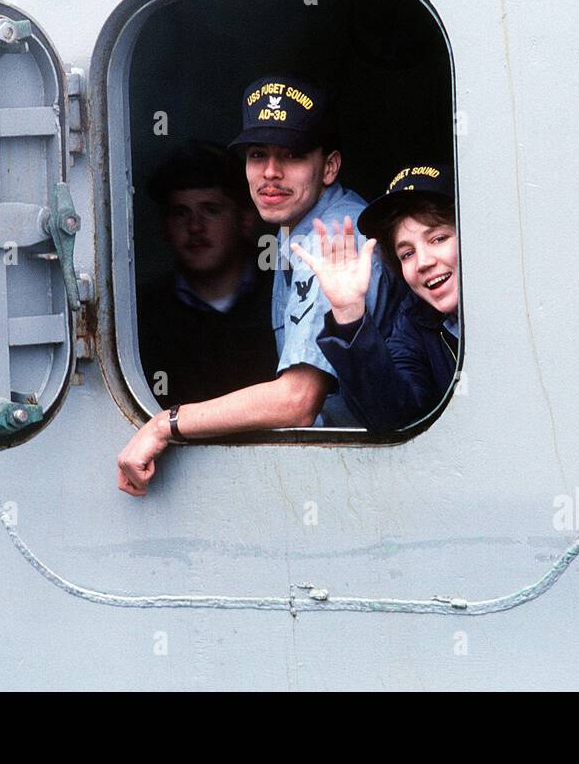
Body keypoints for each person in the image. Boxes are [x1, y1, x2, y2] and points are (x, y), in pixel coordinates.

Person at [115, 74, 399, 496]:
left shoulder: (335, 236)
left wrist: (166, 424)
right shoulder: (298, 231)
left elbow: (297, 401)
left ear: (330, 167)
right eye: (257, 154)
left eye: (293, 155)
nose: (270, 173)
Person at [291, 164, 459, 432]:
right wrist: (348, 313)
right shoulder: (415, 323)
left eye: (438, 239)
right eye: (407, 253)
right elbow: (394, 415)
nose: (424, 262)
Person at [136, 144, 276, 406]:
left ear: (245, 219)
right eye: (180, 213)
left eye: (211, 210)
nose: (195, 227)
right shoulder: (144, 313)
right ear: (164, 227)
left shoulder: (281, 294)